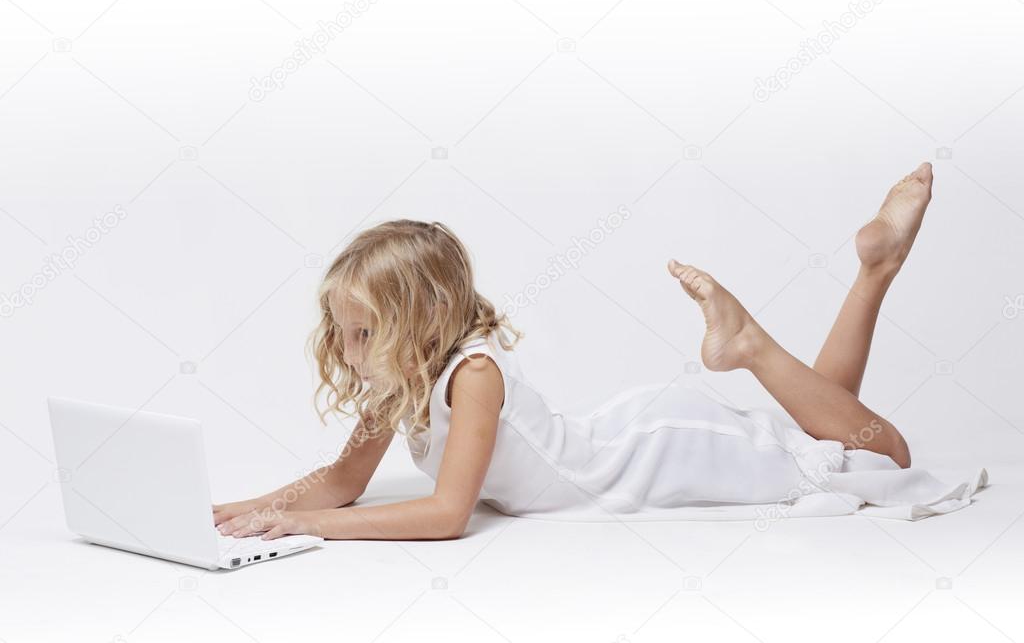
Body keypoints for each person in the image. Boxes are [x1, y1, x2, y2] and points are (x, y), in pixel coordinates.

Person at [213, 162, 986, 541]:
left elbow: (449, 514)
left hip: (657, 451)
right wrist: (240, 511)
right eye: (343, 334)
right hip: (627, 438)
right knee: (826, 427)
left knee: (882, 452)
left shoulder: (471, 374)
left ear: (433, 313)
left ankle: (748, 344)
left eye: (365, 332)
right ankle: (877, 267)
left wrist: (312, 528)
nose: (350, 354)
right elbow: (345, 479)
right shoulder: (402, 375)